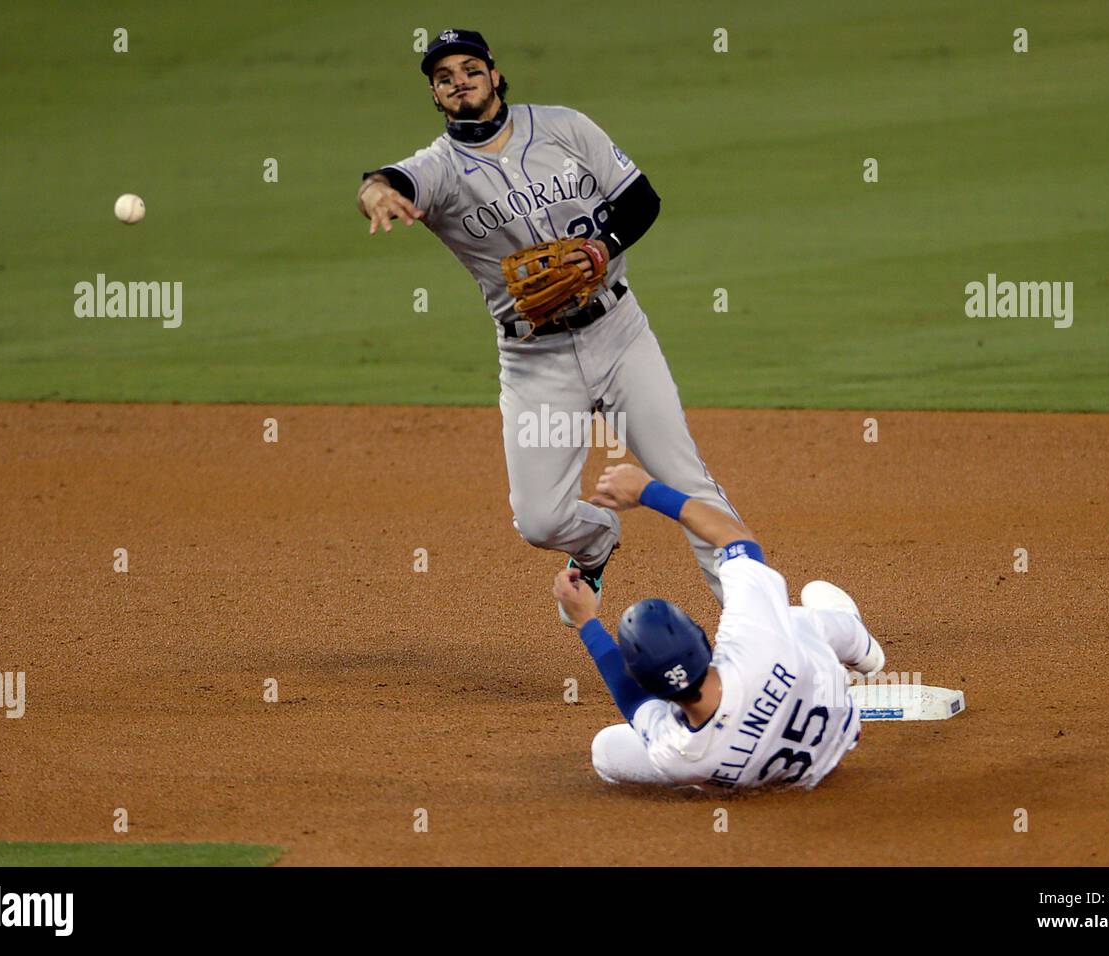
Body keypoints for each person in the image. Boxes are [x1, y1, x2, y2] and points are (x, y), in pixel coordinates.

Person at [358, 28, 740, 622]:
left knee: (686, 480)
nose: (459, 80)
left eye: (470, 68)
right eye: (444, 77)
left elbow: (642, 200)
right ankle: (595, 542)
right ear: (436, 96)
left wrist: (600, 247)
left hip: (619, 334)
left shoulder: (565, 127)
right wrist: (375, 192)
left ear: (496, 75)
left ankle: (758, 629)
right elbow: (391, 180)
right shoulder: (440, 169)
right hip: (536, 361)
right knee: (539, 521)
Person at [553, 463, 885, 790]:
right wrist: (647, 490)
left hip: (757, 770)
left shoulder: (676, 753)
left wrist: (587, 621)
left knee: (607, 750)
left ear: (649, 685)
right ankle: (861, 648)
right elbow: (735, 537)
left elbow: (634, 702)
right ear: (701, 639)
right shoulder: (756, 642)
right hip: (839, 732)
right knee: (794, 619)